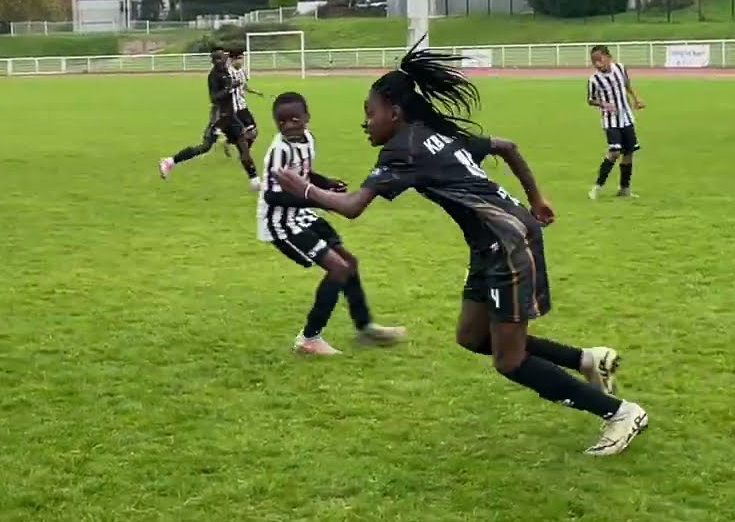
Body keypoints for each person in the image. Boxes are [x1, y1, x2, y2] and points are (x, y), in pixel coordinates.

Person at [275, 44, 648, 456]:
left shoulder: (405, 148)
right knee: (472, 336)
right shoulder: (435, 137)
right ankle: (586, 360)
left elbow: (353, 206)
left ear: (394, 113)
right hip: (491, 243)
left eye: (370, 112)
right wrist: (536, 199)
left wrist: (304, 189)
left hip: (506, 243)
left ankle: (619, 412)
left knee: (509, 360)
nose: (366, 122)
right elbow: (507, 146)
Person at [259, 91, 405, 354]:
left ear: (307, 118)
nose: (289, 125)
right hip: (281, 224)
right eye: (282, 122)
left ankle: (365, 327)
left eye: (295, 119)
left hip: (301, 216)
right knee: (337, 269)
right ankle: (309, 339)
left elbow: (303, 173)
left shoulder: (308, 139)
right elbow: (272, 195)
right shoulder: (278, 150)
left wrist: (325, 183)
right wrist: (320, 200)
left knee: (349, 263)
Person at [159, 48, 261, 190]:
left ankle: (255, 181)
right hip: (219, 118)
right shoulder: (213, 76)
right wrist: (230, 88)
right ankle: (170, 161)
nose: (221, 61)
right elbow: (214, 97)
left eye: (222, 58)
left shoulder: (226, 72)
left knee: (243, 145)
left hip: (231, 117)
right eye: (217, 59)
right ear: (213, 61)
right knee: (205, 147)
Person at [586, 45, 645, 199]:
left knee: (629, 152)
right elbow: (590, 99)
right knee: (614, 152)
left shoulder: (620, 68)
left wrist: (636, 98)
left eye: (599, 60)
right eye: (594, 61)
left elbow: (627, 85)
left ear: (608, 57)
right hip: (610, 120)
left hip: (626, 117)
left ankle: (624, 189)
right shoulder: (594, 79)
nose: (597, 64)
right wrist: (603, 104)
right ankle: (597, 187)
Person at [225, 48, 262, 154]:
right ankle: (243, 152)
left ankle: (230, 142)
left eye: (242, 58)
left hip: (243, 106)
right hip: (232, 108)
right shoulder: (227, 73)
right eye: (239, 58)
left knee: (253, 132)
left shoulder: (243, 71)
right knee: (244, 132)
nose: (241, 61)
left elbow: (244, 87)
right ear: (232, 60)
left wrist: (255, 92)